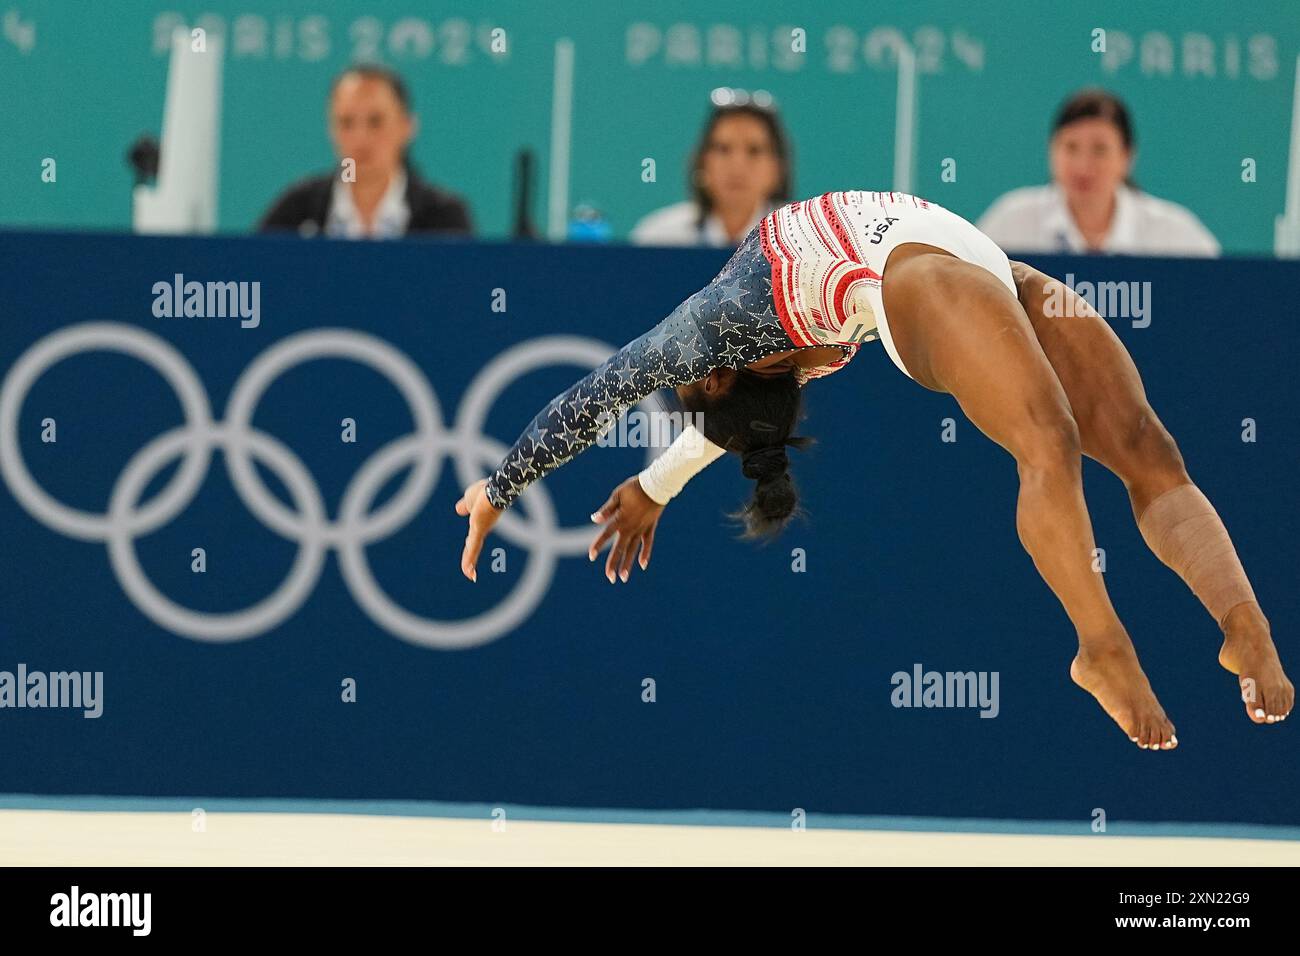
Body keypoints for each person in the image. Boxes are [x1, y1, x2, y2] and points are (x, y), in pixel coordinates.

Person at [455, 190, 1293, 750]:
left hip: (994, 273)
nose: (682, 376)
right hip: (930, 281)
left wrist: (640, 484)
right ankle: (1100, 645)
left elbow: (643, 407)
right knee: (1050, 441)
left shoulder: (718, 327)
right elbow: (621, 400)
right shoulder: (736, 350)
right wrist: (499, 490)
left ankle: (1242, 625)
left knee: (1149, 452)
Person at [977, 89, 1218, 256]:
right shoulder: (1010, 223)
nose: (1083, 165)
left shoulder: (1175, 235)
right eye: (1070, 148)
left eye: (1099, 149)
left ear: (1127, 156)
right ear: (1052, 151)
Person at [258, 65, 472, 238]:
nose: (361, 138)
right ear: (331, 129)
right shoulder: (297, 212)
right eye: (346, 122)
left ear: (407, 126)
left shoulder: (442, 218)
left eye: (375, 121)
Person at [629, 88, 791, 247]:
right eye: (723, 149)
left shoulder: (798, 242)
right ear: (702, 161)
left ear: (777, 167)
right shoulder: (657, 239)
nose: (737, 166)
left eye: (754, 151)